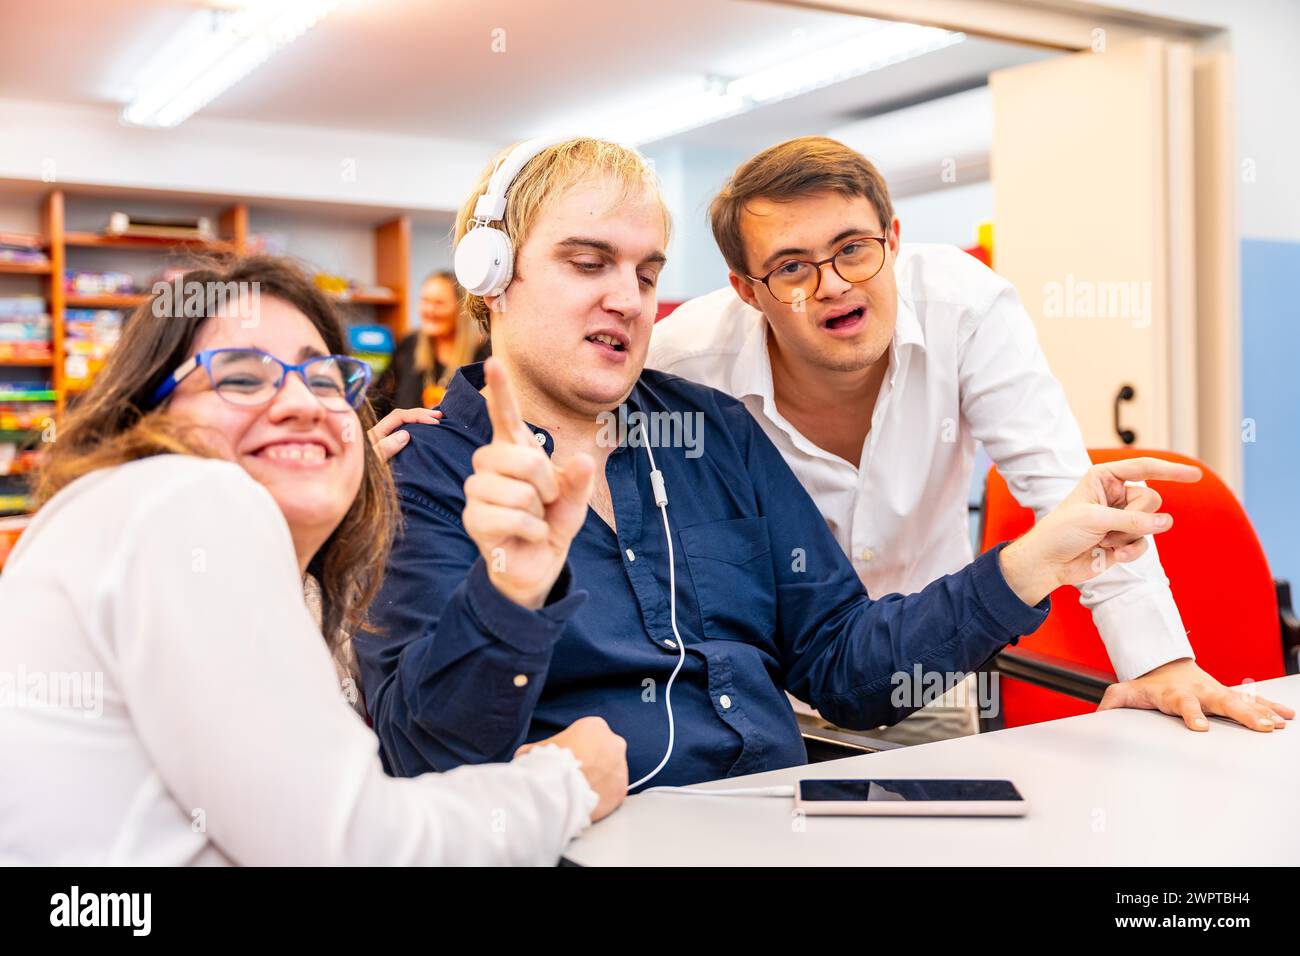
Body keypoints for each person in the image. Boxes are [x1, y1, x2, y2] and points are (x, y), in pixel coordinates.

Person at [356, 137, 1209, 792]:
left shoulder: (709, 429)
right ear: (491, 275)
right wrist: (507, 592)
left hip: (785, 817)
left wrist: (1031, 563)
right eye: (588, 263)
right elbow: (425, 754)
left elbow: (843, 667)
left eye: (647, 273)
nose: (627, 298)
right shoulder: (421, 473)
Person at [647, 136, 1294, 741]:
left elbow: (1069, 497)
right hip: (758, 696)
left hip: (925, 668)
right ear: (747, 291)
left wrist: (1158, 665)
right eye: (792, 267)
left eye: (853, 248)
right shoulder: (682, 365)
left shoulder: (967, 308)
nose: (834, 283)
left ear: (894, 240)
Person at [0, 254, 626, 865]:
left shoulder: (287, 582)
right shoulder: (186, 497)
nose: (303, 405)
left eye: (325, 380)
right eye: (241, 377)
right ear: (144, 416)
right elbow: (353, 847)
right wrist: (565, 782)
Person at [372, 270, 489, 417]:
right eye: (425, 301)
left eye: (439, 303)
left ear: (461, 309)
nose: (429, 310)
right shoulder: (409, 345)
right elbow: (380, 401)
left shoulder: (485, 355)